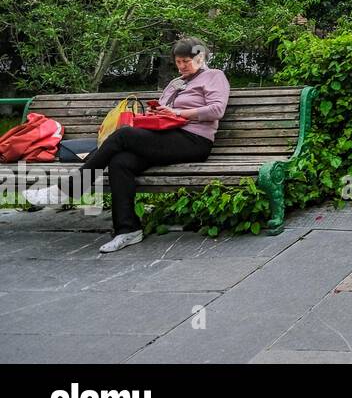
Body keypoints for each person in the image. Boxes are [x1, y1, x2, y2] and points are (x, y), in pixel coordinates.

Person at [25, 38, 230, 253]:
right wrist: (157, 112)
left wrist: (178, 113)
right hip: (164, 138)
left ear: (200, 58)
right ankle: (127, 229)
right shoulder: (175, 84)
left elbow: (216, 110)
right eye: (178, 62)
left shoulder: (214, 76)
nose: (181, 66)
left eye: (186, 61)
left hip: (193, 141)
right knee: (120, 162)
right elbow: (164, 110)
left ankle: (69, 189)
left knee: (122, 136)